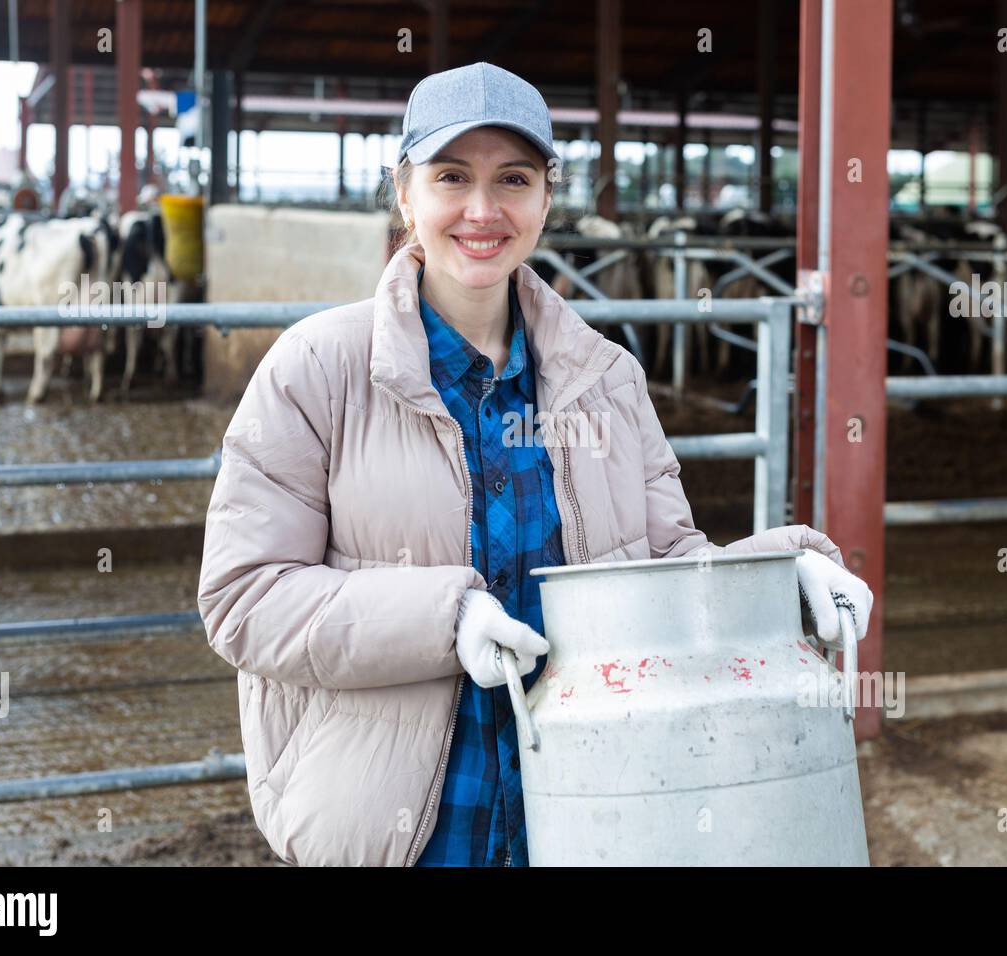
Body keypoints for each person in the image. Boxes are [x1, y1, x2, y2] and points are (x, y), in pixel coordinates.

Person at [196, 61, 873, 868]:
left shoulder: (606, 379)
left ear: (547, 198)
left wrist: (777, 581)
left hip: (596, 818)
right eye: (452, 177)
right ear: (405, 194)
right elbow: (245, 599)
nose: (482, 211)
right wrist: (444, 621)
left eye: (512, 179)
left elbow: (666, 569)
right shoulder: (317, 370)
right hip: (404, 829)